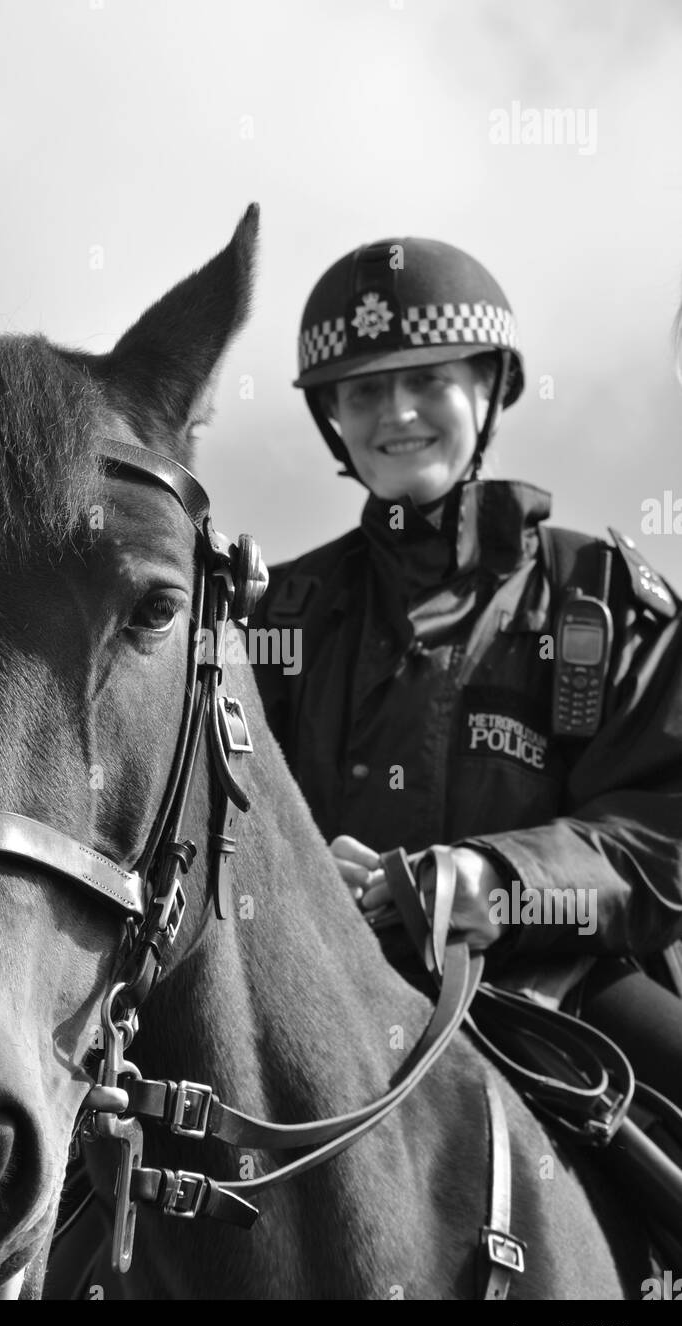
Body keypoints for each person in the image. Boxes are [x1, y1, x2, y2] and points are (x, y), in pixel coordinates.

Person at [249, 237, 682, 1106]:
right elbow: (216, 815)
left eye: (427, 382)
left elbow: (662, 827)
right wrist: (290, 870)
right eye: (365, 391)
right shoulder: (273, 614)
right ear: (331, 416)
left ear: (489, 389)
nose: (395, 414)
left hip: (566, 995)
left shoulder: (601, 596)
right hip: (307, 991)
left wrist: (502, 884)